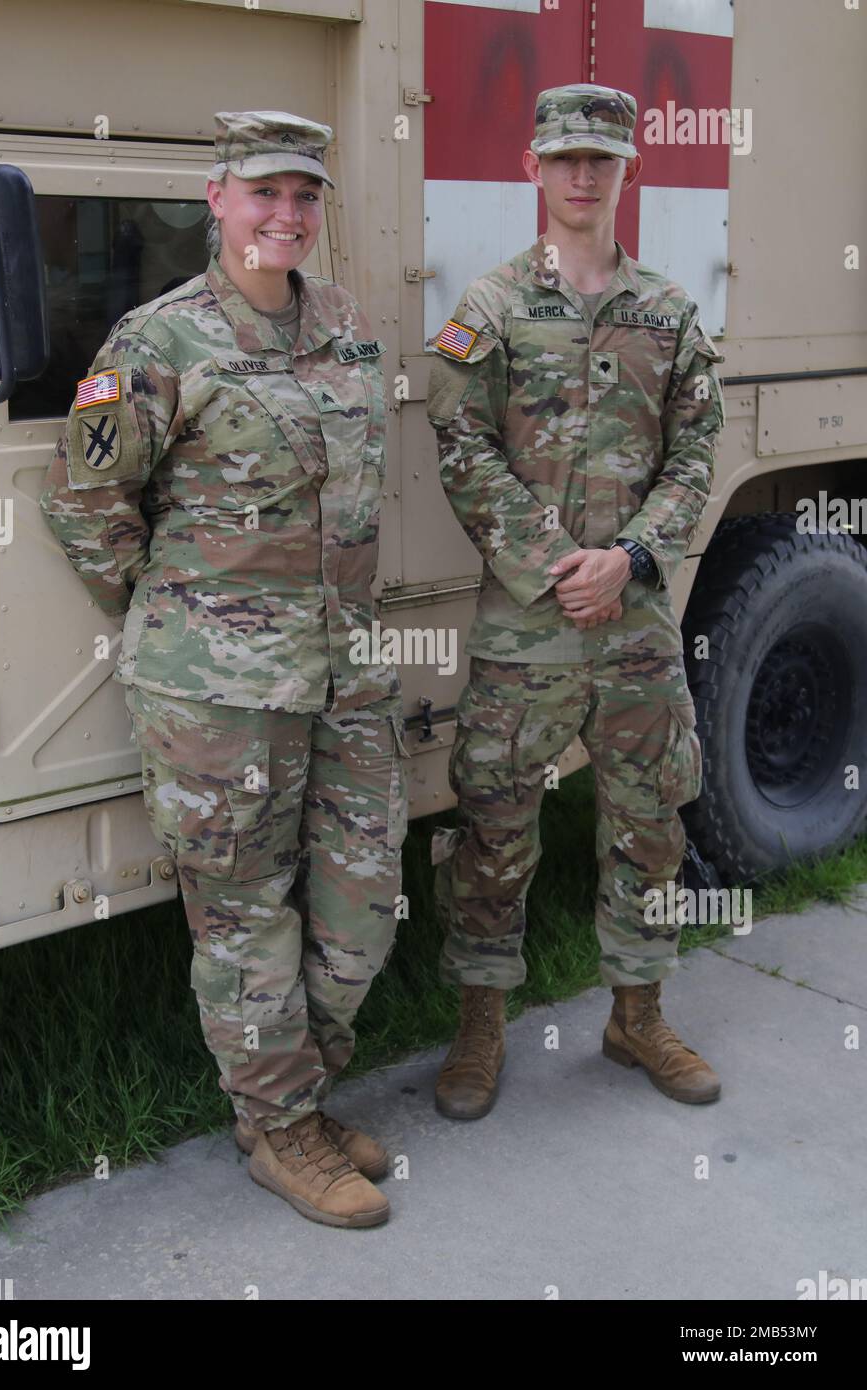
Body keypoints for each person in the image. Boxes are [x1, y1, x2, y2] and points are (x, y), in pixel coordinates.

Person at [39, 110, 409, 1229]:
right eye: (264, 194)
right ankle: (281, 1126)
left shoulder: (343, 327)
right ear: (217, 199)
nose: (285, 216)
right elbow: (83, 501)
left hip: (344, 670)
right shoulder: (157, 343)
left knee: (363, 902)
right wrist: (186, 615)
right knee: (244, 913)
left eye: (304, 197)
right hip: (215, 694)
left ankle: (292, 1092)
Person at [425, 84, 726, 1120]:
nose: (583, 176)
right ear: (533, 169)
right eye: (565, 158)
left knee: (649, 821)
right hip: (529, 624)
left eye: (601, 158)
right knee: (496, 828)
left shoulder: (671, 314)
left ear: (626, 170)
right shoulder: (491, 309)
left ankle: (635, 1012)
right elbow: (459, 450)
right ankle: (478, 1026)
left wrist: (633, 559)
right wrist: (559, 561)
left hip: (634, 625)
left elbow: (694, 457)